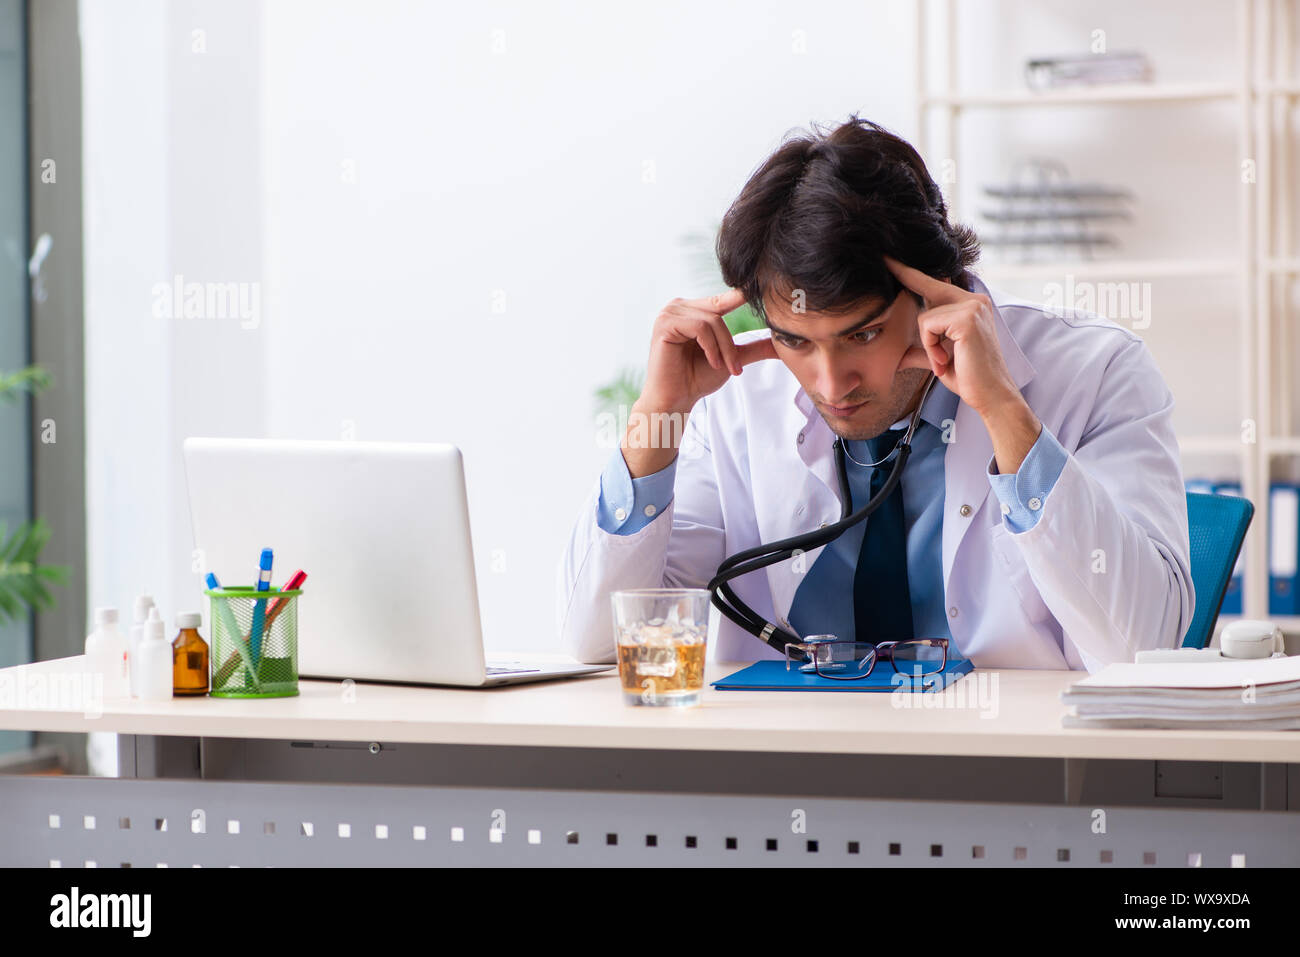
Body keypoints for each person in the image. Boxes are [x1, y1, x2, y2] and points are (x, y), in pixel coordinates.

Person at [556, 114, 1193, 673]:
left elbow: (1141, 650)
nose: (832, 385)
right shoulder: (733, 401)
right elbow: (598, 643)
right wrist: (655, 417)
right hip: (792, 771)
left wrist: (1004, 411)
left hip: (1019, 773)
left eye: (862, 334)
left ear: (937, 288)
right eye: (795, 340)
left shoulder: (1097, 370)